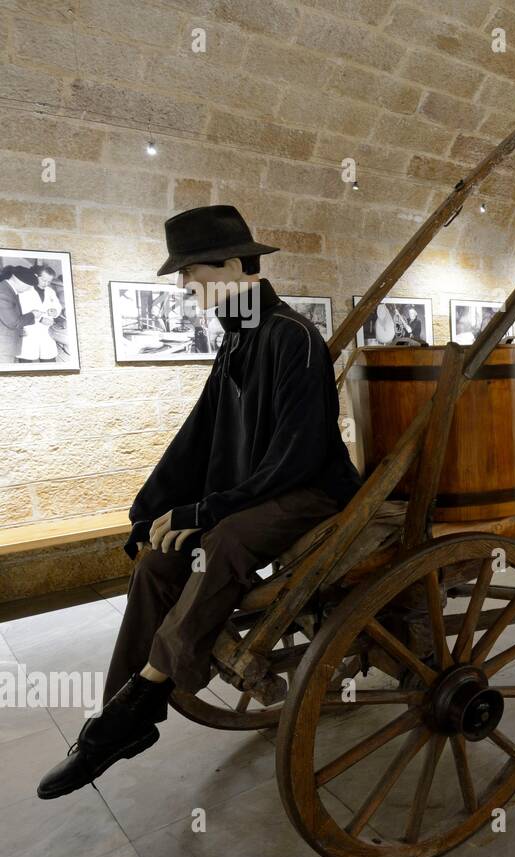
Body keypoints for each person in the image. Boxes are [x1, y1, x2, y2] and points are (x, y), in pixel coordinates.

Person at [38, 205, 363, 800]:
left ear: (235, 265)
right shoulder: (238, 340)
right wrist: (154, 509)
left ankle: (147, 691)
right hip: (264, 488)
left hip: (310, 490)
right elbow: (200, 436)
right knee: (162, 557)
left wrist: (207, 512)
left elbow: (299, 455)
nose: (185, 287)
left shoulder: (294, 337)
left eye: (191, 273)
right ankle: (118, 712)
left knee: (221, 542)